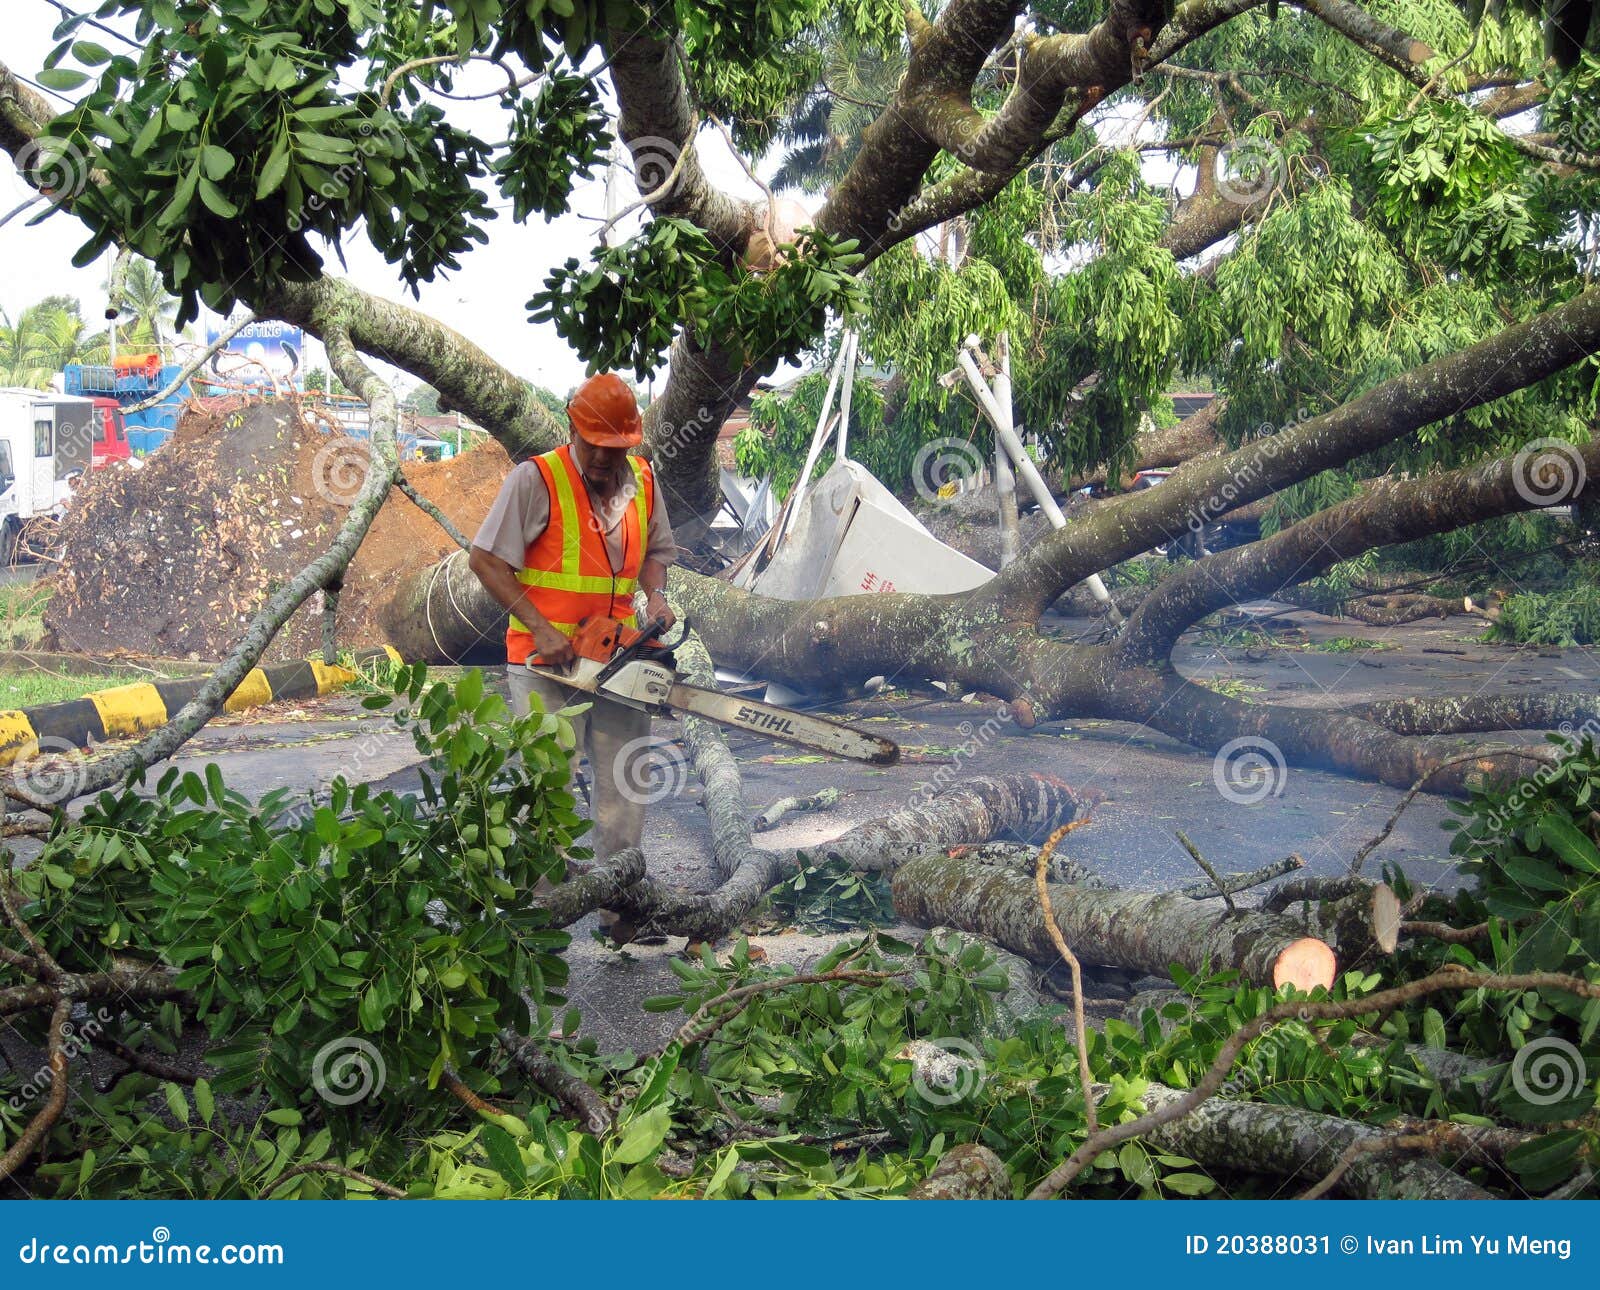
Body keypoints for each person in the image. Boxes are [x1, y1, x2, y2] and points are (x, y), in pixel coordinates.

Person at [468, 373, 676, 940]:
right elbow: (485, 560)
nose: (605, 459)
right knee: (548, 788)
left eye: (616, 448)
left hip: (617, 658)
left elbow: (656, 553)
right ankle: (544, 917)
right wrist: (540, 628)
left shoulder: (642, 482)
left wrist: (656, 596)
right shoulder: (536, 479)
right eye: (596, 446)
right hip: (546, 665)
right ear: (573, 430)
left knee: (626, 783)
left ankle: (622, 911)